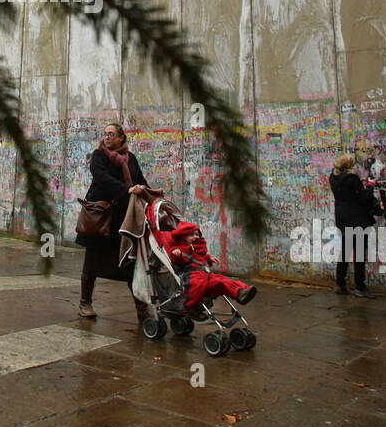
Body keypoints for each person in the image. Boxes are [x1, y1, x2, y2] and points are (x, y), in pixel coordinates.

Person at [77, 123, 154, 326]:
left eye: (111, 134)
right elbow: (103, 179)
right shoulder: (98, 156)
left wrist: (152, 195)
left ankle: (142, 309)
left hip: (122, 219)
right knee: (91, 262)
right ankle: (85, 302)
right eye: (105, 134)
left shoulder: (131, 159)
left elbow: (141, 181)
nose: (107, 137)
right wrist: (127, 189)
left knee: (130, 262)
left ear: (121, 138)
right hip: (100, 217)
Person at [153, 217, 256, 310]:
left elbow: (200, 256)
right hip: (192, 275)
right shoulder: (181, 248)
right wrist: (176, 253)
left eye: (197, 234)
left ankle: (240, 292)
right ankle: (191, 306)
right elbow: (178, 259)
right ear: (183, 237)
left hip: (205, 274)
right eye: (192, 235)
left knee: (222, 280)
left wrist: (209, 258)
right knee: (197, 287)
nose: (196, 237)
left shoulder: (197, 248)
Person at [329, 154, 378, 297]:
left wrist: (360, 185)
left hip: (343, 219)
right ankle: (360, 287)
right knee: (359, 254)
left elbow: (348, 192)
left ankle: (340, 284)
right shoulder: (352, 179)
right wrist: (370, 186)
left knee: (345, 251)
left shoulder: (333, 178)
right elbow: (363, 198)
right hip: (357, 219)